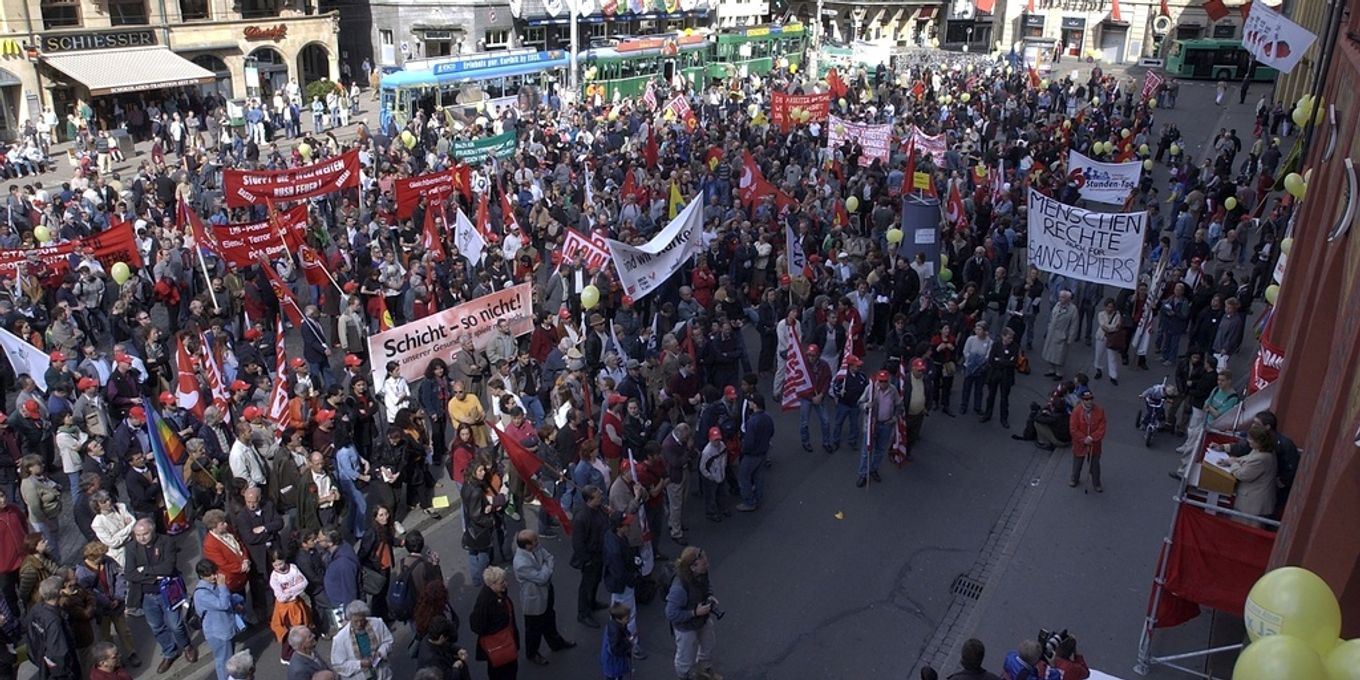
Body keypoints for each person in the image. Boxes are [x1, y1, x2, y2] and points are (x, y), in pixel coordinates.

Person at [125, 519, 197, 673]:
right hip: (146, 594)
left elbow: (167, 568)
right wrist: (152, 576)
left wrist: (143, 569)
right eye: (138, 535)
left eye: (145, 534)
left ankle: (187, 646)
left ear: (153, 531)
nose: (142, 538)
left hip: (168, 592)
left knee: (176, 625)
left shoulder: (166, 542)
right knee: (157, 627)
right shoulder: (131, 548)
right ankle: (169, 652)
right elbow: (130, 574)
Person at [511, 529, 575, 665]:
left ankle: (556, 643)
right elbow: (542, 578)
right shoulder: (521, 563)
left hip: (547, 591)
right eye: (534, 540)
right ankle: (532, 653)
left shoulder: (536, 547)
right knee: (534, 629)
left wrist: (545, 568)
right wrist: (547, 568)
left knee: (550, 619)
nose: (538, 542)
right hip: (534, 599)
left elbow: (549, 557)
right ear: (527, 545)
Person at [665, 546, 719, 680]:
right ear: (692, 567)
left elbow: (707, 585)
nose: (708, 565)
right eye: (704, 564)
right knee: (685, 657)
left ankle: (704, 670)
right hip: (686, 628)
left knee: (708, 644)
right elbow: (671, 614)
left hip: (702, 619)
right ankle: (684, 676)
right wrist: (694, 613)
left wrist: (710, 596)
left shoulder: (701, 573)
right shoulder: (679, 588)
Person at [194, 559, 246, 680]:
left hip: (226, 628)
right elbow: (223, 604)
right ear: (201, 576)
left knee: (230, 659)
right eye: (209, 575)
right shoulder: (201, 594)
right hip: (218, 633)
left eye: (214, 572)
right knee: (223, 662)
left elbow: (227, 600)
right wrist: (222, 586)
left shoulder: (215, 584)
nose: (213, 576)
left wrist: (236, 601)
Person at [1216, 424, 1279, 522]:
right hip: (1252, 500)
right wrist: (1232, 460)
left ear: (1259, 441)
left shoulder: (1262, 458)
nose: (1248, 440)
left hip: (1254, 503)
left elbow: (1243, 475)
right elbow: (1247, 459)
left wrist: (1232, 463)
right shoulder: (1259, 450)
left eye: (1251, 439)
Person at [469, 566, 520, 680]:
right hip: (498, 644)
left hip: (505, 640)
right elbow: (476, 625)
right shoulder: (485, 602)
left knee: (509, 669)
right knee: (501, 673)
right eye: (502, 582)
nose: (505, 584)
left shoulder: (497, 593)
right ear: (492, 584)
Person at [25, 576, 80, 680]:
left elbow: (30, 634)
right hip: (59, 671)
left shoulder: (36, 608)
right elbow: (59, 651)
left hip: (42, 661)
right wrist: (64, 673)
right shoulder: (54, 620)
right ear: (60, 592)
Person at [570, 485, 609, 628]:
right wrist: (586, 560)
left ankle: (592, 602)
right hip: (590, 557)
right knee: (587, 585)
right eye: (598, 496)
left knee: (595, 581)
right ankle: (583, 613)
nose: (602, 497)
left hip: (599, 553)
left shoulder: (598, 509)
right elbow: (578, 543)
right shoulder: (582, 517)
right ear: (589, 499)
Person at [267, 548, 312, 663]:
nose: (278, 567)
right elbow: (280, 597)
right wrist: (295, 588)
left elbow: (304, 583)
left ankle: (299, 650)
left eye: (280, 563)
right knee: (288, 632)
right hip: (284, 609)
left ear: (284, 560)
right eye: (275, 565)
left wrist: (288, 591)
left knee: (300, 627)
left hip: (296, 604)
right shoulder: (274, 577)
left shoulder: (293, 568)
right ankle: (286, 656)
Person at [858, 370, 902, 487]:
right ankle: (863, 473)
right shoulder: (871, 389)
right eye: (880, 381)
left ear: (888, 381)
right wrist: (867, 405)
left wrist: (894, 417)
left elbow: (899, 405)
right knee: (866, 451)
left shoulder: (893, 390)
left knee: (880, 449)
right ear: (877, 380)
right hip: (872, 424)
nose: (882, 383)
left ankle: (873, 469)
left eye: (885, 381)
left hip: (886, 424)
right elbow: (860, 403)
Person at [331, 600, 394, 680]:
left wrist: (380, 652)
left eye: (362, 620)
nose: (359, 624)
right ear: (350, 619)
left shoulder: (378, 623)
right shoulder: (340, 639)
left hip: (381, 673)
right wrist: (360, 664)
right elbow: (338, 665)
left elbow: (388, 641)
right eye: (356, 621)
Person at [737, 393, 773, 510]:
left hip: (751, 455)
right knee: (758, 476)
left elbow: (748, 442)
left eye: (751, 402)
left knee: (744, 476)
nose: (749, 404)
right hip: (763, 452)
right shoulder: (767, 417)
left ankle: (749, 502)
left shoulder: (752, 421)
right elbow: (771, 432)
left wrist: (743, 449)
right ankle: (758, 497)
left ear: (755, 404)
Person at [1069, 391, 1107, 492]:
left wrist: (1092, 438)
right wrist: (1084, 439)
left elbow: (1102, 427)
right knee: (1077, 463)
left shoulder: (1100, 410)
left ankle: (1096, 483)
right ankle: (1074, 479)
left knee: (1095, 465)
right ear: (1082, 400)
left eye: (1091, 398)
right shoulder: (1076, 411)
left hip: (1094, 444)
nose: (1089, 401)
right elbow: (1073, 429)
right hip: (1080, 443)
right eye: (1086, 399)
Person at [1043, 291, 1079, 378]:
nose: (1060, 299)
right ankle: (1051, 369)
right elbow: (1052, 317)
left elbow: (1074, 325)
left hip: (1062, 335)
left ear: (1068, 299)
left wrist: (1070, 338)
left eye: (1062, 297)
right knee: (1050, 353)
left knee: (1059, 356)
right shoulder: (1057, 304)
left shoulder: (1073, 310)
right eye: (1060, 297)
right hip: (1052, 333)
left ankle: (1059, 373)